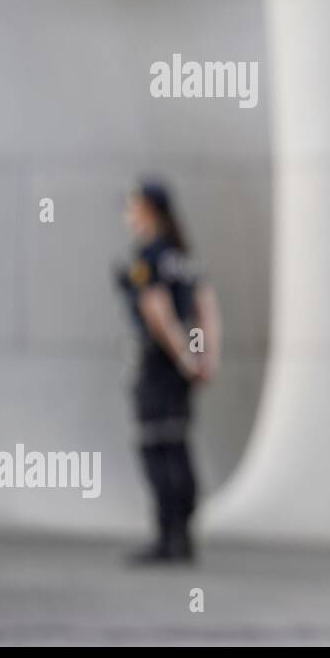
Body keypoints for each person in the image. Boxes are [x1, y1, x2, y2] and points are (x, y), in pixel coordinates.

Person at [115, 180, 221, 564]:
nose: (129, 216)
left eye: (133, 207)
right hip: (178, 366)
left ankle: (169, 537)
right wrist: (202, 357)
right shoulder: (183, 256)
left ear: (150, 211)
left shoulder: (151, 256)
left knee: (157, 446)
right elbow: (203, 311)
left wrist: (183, 358)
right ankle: (182, 535)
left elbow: (158, 314)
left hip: (159, 364)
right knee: (177, 442)